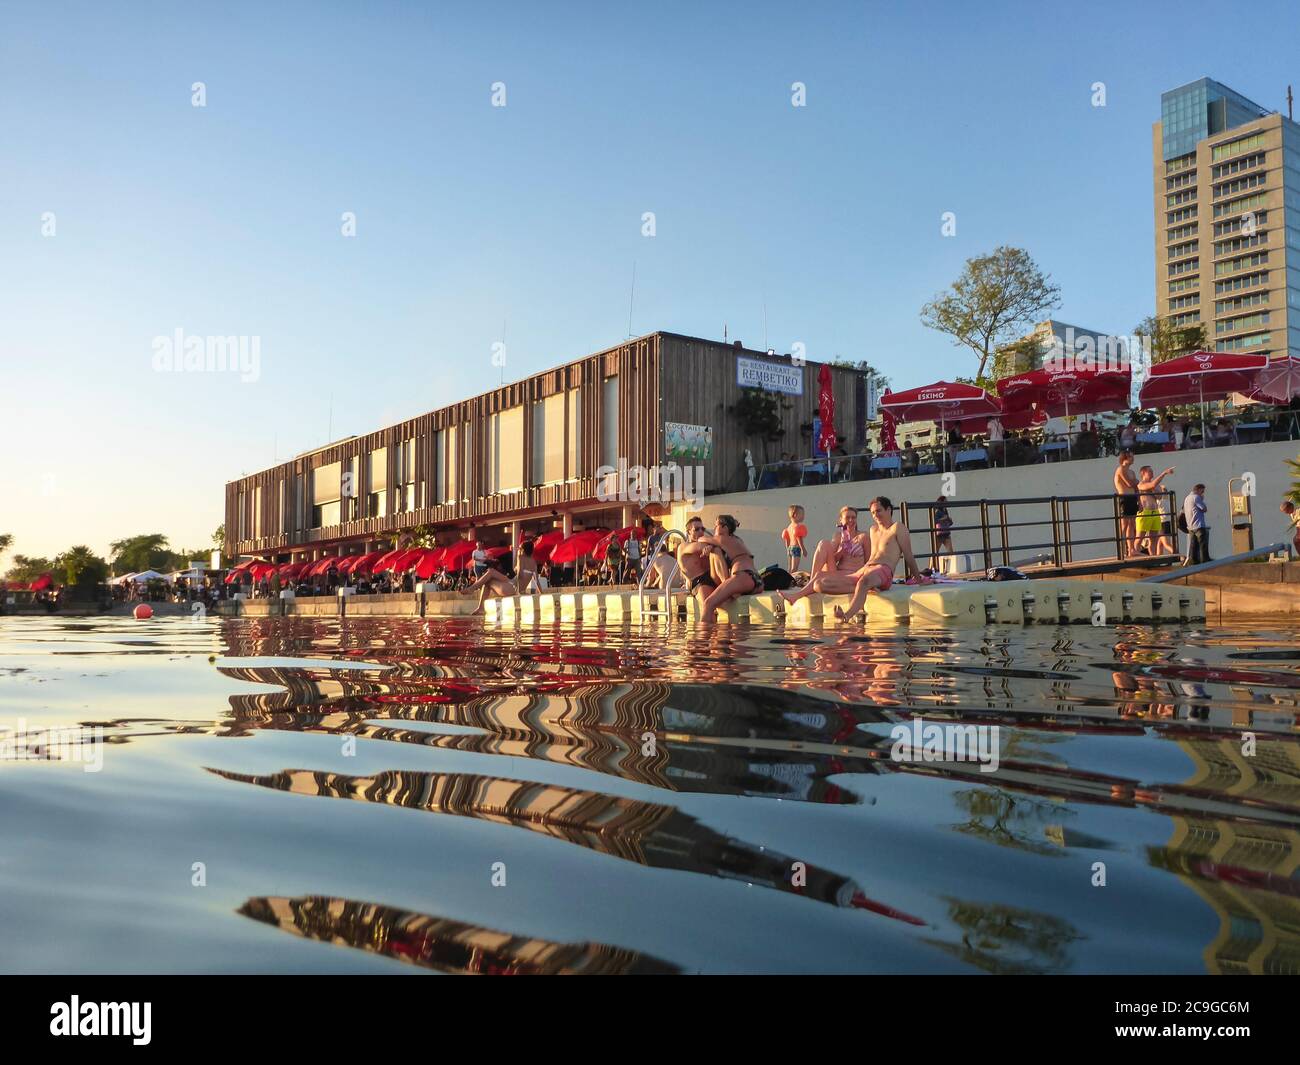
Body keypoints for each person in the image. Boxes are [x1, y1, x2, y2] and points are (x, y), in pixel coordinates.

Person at [831, 497, 923, 620]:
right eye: (873, 513)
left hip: (883, 571)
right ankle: (868, 588)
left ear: (888, 509)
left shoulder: (897, 528)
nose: (875, 515)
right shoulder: (873, 530)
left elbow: (908, 555)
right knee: (824, 583)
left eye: (878, 511)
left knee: (863, 582)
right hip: (868, 569)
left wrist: (919, 579)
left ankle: (846, 616)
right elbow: (871, 556)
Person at [780, 506, 871, 604]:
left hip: (854, 573)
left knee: (819, 576)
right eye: (847, 517)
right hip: (838, 571)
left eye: (853, 517)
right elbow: (832, 559)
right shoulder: (838, 536)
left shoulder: (863, 536)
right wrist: (842, 550)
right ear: (841, 520)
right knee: (824, 543)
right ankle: (811, 582)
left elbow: (869, 561)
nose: (851, 520)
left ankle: (797, 595)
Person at [696, 515, 763, 622]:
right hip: (756, 580)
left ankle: (703, 638)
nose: (714, 529)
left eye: (716, 525)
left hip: (743, 576)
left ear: (725, 528)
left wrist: (709, 544)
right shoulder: (737, 540)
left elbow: (701, 538)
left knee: (708, 604)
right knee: (715, 550)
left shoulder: (722, 538)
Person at [676, 516, 719, 610]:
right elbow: (699, 547)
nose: (701, 531)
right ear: (688, 532)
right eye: (697, 529)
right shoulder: (684, 546)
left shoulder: (707, 544)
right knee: (708, 609)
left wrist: (711, 547)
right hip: (699, 582)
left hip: (713, 578)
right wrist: (711, 545)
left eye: (702, 529)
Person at [1136, 464, 1176, 557]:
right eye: (1150, 471)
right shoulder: (1141, 484)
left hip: (1155, 513)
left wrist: (1153, 489)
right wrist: (1164, 473)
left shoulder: (1155, 485)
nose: (1152, 472)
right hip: (1145, 513)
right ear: (1143, 473)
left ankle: (1153, 557)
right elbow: (1151, 485)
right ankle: (1134, 554)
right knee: (1140, 537)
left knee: (1153, 539)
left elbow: (1159, 496)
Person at [1114, 451, 1139, 559]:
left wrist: (1139, 500)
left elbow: (1135, 487)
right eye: (1131, 457)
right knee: (1123, 525)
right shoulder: (1121, 469)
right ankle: (1121, 550)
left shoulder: (1132, 472)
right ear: (1125, 457)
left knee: (1132, 525)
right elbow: (1130, 483)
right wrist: (1136, 482)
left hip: (1132, 498)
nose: (1133, 458)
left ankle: (1131, 549)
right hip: (1124, 497)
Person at [1183, 483, 1210, 566]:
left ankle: (1194, 562)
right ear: (1198, 490)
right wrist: (1202, 499)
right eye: (1202, 491)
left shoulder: (1187, 498)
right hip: (1198, 525)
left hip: (1190, 526)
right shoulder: (1196, 497)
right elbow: (1204, 509)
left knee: (1193, 545)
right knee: (1202, 544)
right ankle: (1205, 561)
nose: (1202, 493)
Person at [782, 505, 808, 572]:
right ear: (795, 515)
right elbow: (799, 538)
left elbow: (786, 539)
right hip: (796, 548)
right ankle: (792, 580)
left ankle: (788, 579)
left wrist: (787, 549)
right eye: (802, 514)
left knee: (790, 567)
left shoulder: (789, 527)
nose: (803, 516)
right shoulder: (798, 526)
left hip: (790, 548)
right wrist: (803, 549)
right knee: (795, 568)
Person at [933, 495, 954, 562]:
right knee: (935, 552)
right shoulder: (937, 511)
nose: (947, 502)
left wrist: (949, 520)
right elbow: (934, 521)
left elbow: (949, 522)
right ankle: (931, 567)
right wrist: (944, 518)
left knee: (950, 552)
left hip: (946, 533)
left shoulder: (945, 510)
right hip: (939, 534)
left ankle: (951, 567)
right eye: (945, 501)